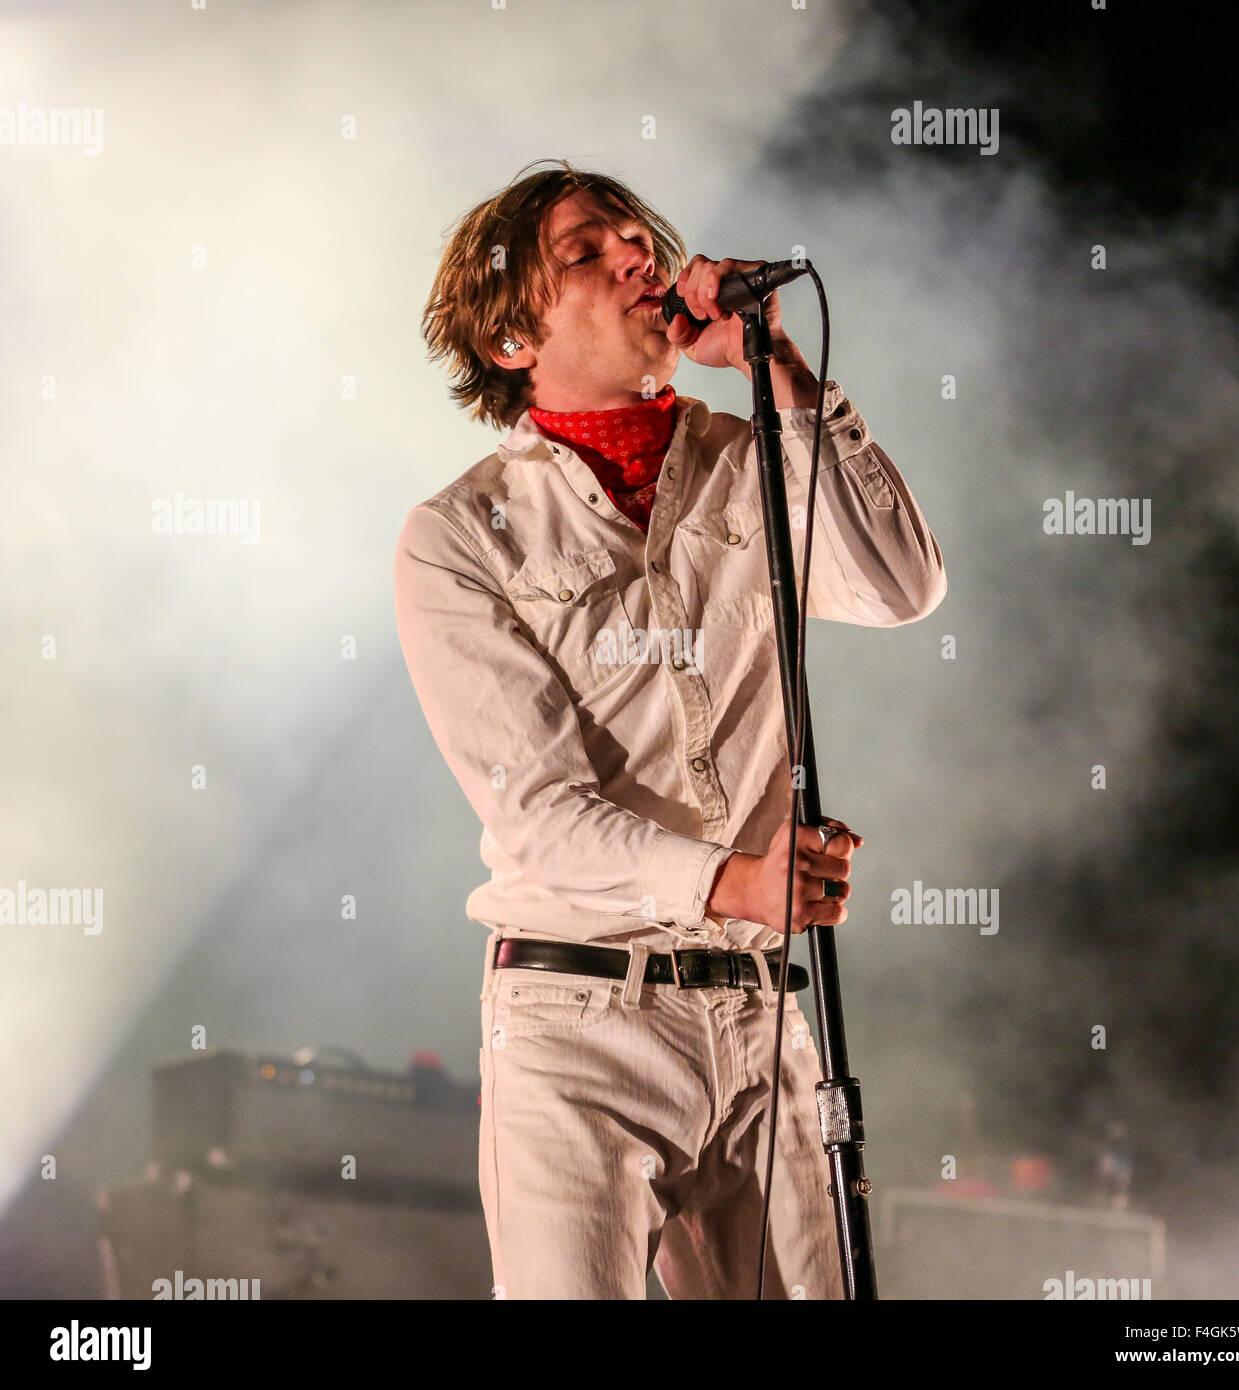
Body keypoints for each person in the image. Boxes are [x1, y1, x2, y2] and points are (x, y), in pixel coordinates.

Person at [394, 159, 947, 1299]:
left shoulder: (751, 460)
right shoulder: (462, 536)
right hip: (577, 1018)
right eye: (585, 254)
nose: (635, 257)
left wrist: (780, 370)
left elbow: (901, 586)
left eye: (638, 240)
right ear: (510, 339)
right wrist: (731, 880)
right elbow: (540, 810)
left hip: (759, 1011)